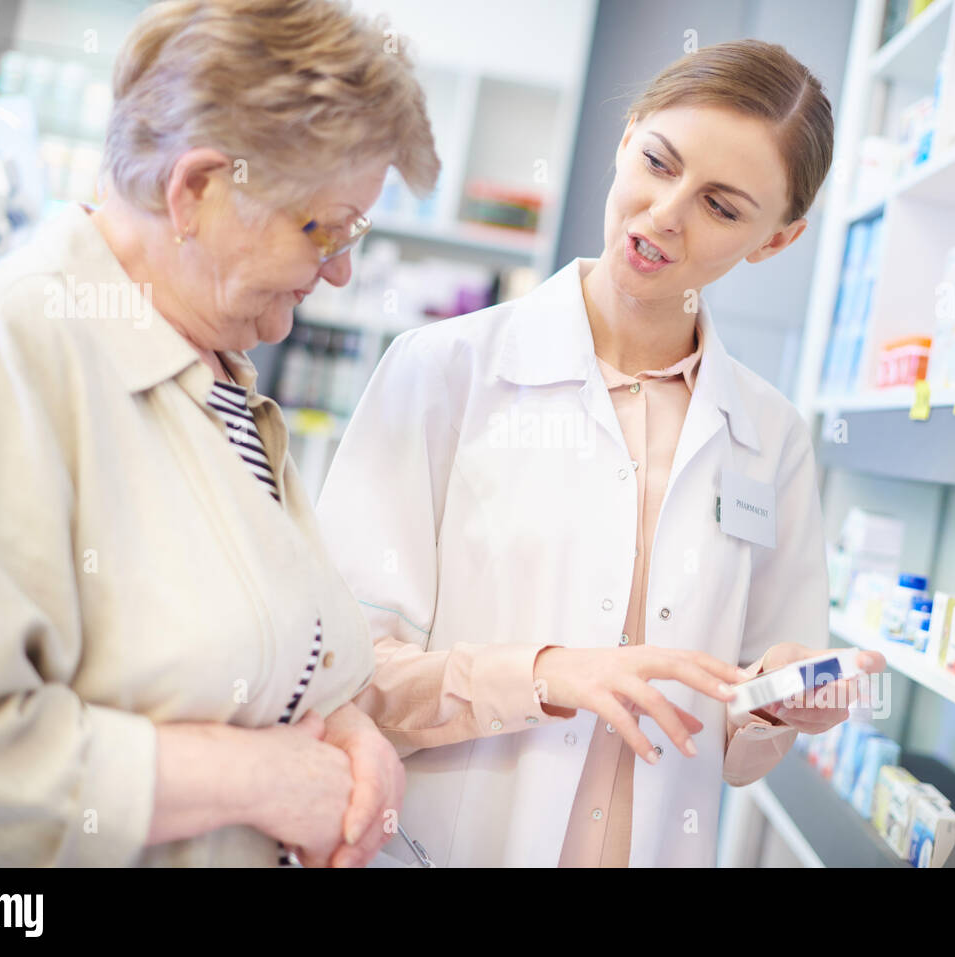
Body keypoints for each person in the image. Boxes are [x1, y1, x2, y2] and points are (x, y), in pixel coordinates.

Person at [0, 0, 437, 867]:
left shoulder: (216, 372)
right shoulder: (3, 348)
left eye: (354, 232)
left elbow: (267, 655)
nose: (339, 268)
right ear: (197, 191)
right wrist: (256, 779)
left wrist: (347, 735)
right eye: (323, 228)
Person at [318, 38, 885, 867]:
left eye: (721, 207)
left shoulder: (772, 438)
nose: (665, 212)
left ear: (775, 242)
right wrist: (544, 674)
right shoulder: (443, 371)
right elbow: (339, 670)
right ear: (626, 140)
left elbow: (737, 735)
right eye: (658, 162)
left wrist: (776, 700)